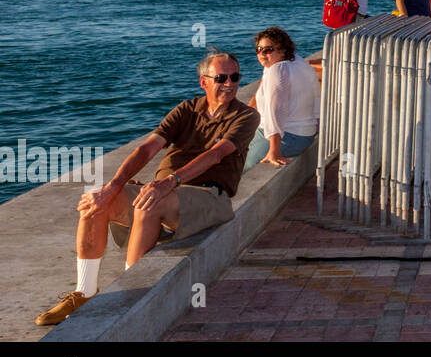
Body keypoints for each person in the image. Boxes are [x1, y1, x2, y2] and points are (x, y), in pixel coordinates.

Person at [36, 51, 259, 325]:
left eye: (235, 77)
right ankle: (84, 292)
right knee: (95, 203)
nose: (229, 84)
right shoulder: (187, 109)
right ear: (204, 82)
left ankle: (131, 297)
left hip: (209, 196)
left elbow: (215, 154)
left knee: (150, 202)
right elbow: (147, 148)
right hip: (170, 192)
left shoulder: (246, 116)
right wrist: (112, 187)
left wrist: (169, 182)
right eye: (221, 78)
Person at [244, 27, 319, 169]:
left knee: (240, 166)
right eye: (258, 50)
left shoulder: (277, 70)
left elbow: (276, 110)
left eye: (267, 50)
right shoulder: (299, 62)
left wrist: (274, 151)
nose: (261, 54)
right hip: (304, 136)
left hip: (285, 138)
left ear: (282, 50)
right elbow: (316, 99)